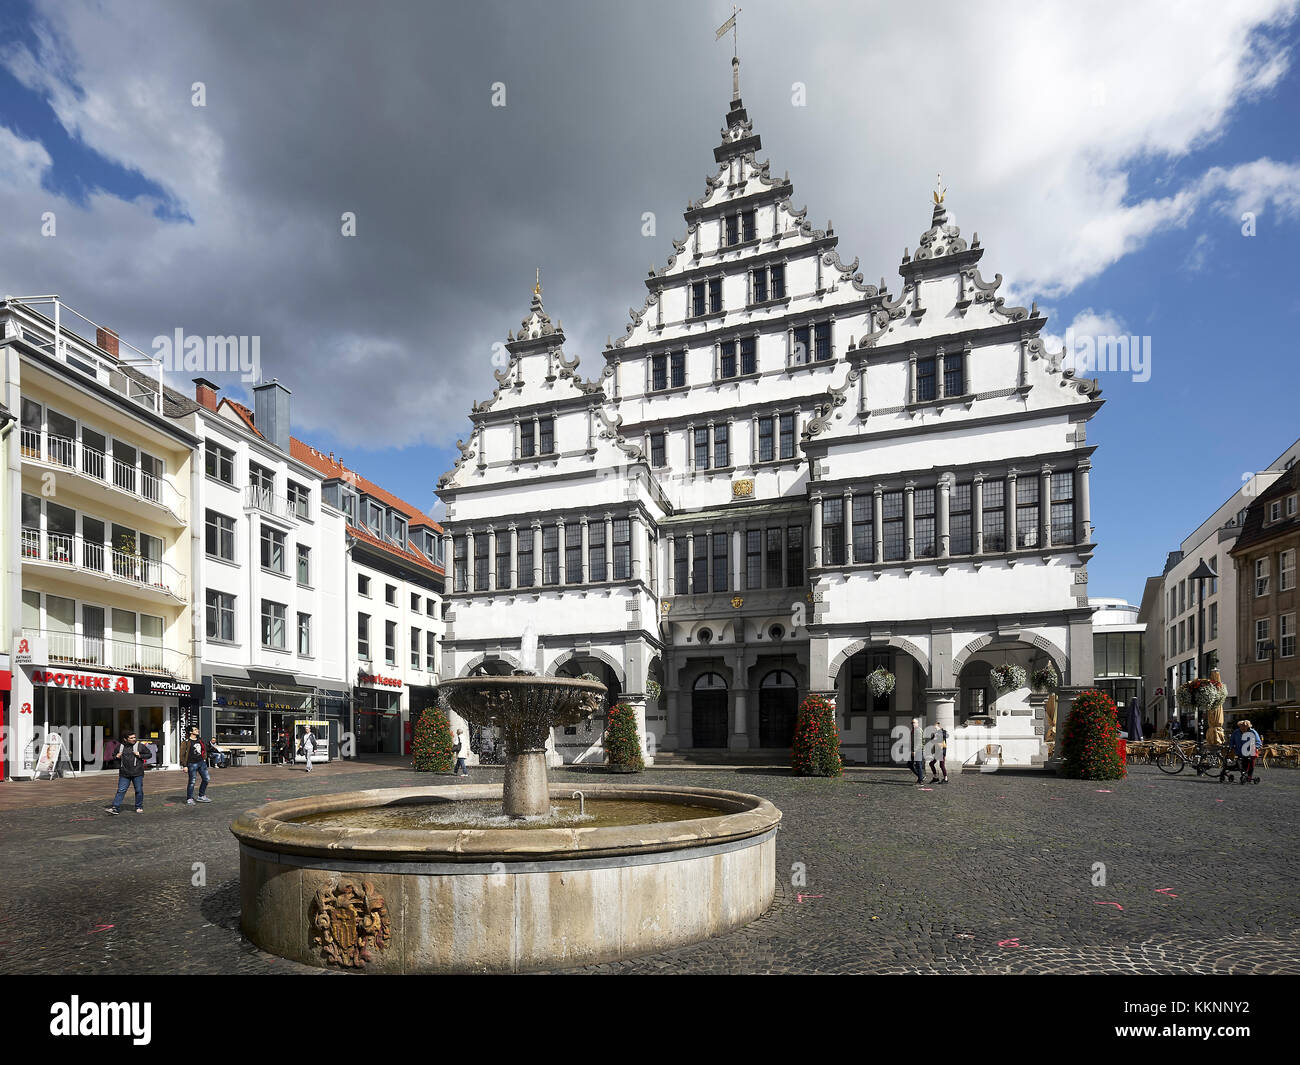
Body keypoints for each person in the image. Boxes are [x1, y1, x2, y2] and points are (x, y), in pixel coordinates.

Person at [105, 732, 149, 815]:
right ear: (125, 739)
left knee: (139, 790)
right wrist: (116, 757)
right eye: (131, 738)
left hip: (137, 772)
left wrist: (140, 755)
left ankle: (138, 806)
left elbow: (149, 754)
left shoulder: (140, 746)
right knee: (121, 790)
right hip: (124, 773)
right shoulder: (120, 746)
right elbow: (113, 756)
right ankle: (115, 808)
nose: (134, 739)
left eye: (134, 737)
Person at [180, 727, 213, 805]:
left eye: (197, 729)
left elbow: (203, 749)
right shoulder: (186, 742)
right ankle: (189, 798)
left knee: (206, 779)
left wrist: (204, 758)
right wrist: (184, 765)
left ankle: (201, 796)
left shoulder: (200, 740)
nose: (197, 730)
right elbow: (182, 754)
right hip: (191, 764)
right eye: (195, 730)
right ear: (190, 732)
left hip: (201, 762)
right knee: (192, 781)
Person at [1224, 719, 1262, 784]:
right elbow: (1232, 740)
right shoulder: (1236, 732)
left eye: (1245, 726)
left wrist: (1255, 747)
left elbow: (1258, 742)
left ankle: (1249, 778)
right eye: (1241, 726)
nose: (1243, 727)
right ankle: (1244, 777)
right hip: (1240, 751)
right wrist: (1231, 746)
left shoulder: (1253, 732)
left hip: (1250, 753)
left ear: (1248, 726)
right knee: (1241, 765)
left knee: (1250, 766)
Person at [908, 718, 926, 785]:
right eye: (912, 723)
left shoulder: (918, 730)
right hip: (913, 750)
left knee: (918, 765)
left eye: (914, 723)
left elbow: (919, 742)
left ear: (917, 723)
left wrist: (915, 751)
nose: (913, 724)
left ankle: (920, 781)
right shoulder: (913, 730)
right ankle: (921, 776)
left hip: (917, 750)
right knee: (909, 764)